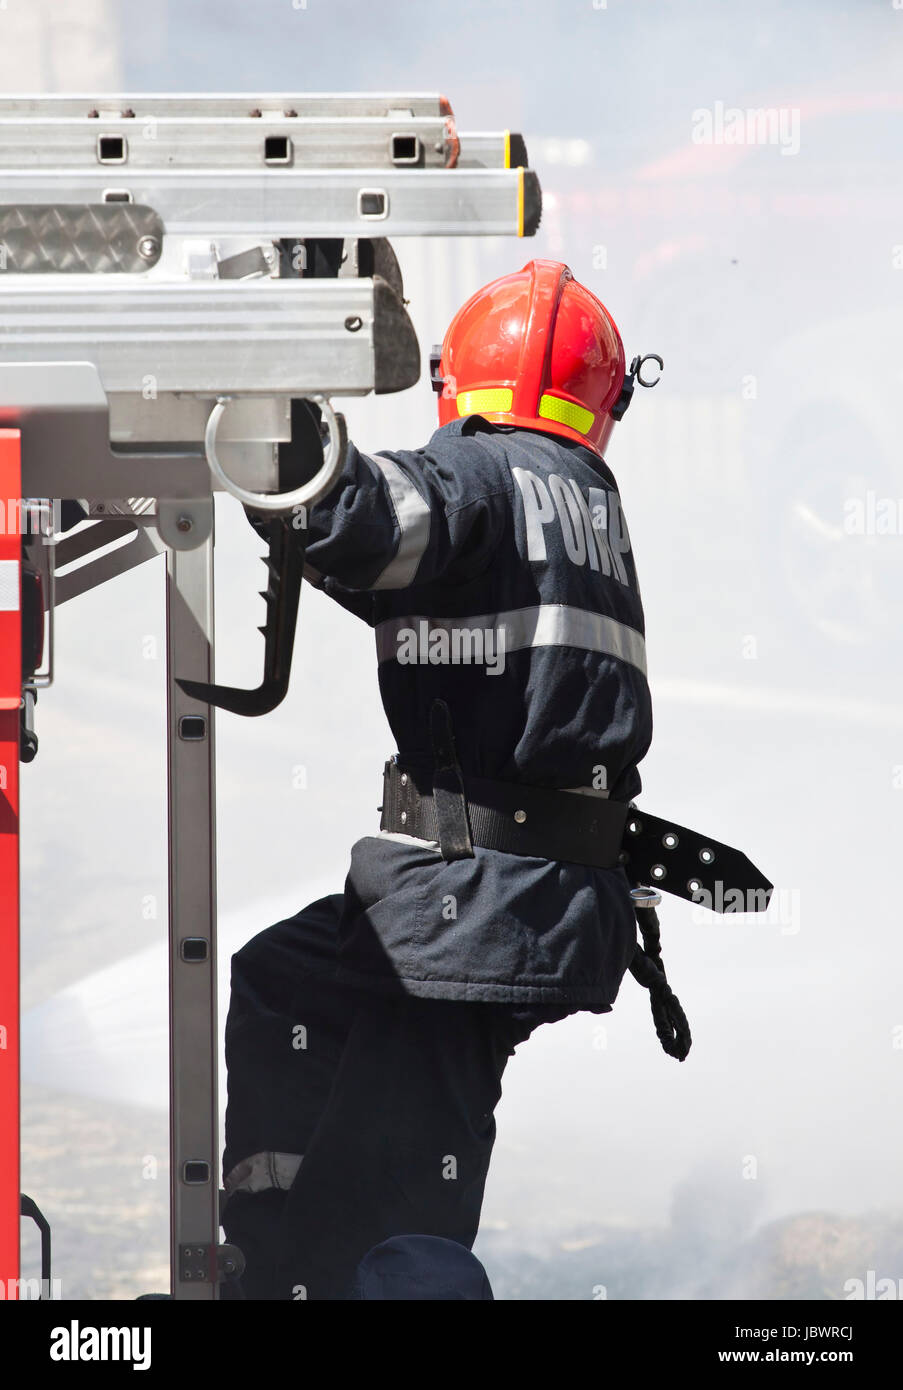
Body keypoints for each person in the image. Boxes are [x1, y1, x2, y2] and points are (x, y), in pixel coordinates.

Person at [221, 258, 669, 1300]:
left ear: (455, 382)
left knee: (393, 1228)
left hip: (475, 912)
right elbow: (425, 593)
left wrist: (269, 424)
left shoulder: (482, 475)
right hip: (522, 898)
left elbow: (378, 516)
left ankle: (324, 1264)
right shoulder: (577, 498)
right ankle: (278, 1261)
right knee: (283, 978)